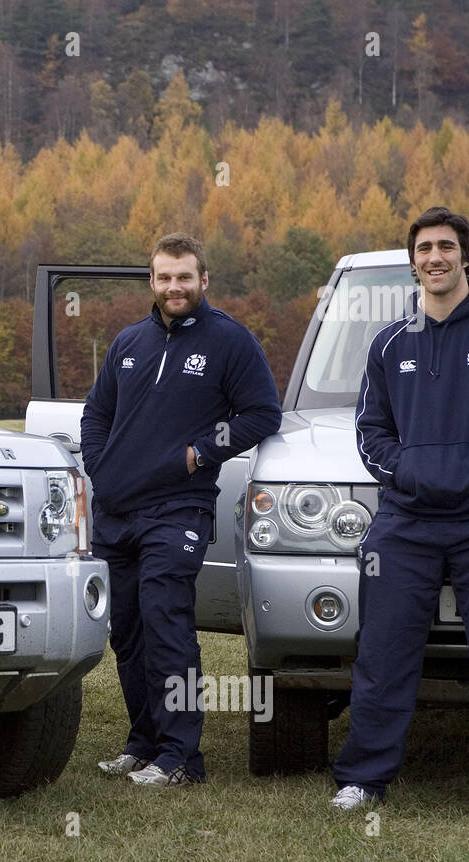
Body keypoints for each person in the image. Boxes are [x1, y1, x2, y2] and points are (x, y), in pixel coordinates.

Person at [332, 207, 469, 829]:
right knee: (382, 651)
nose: (435, 257)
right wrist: (407, 474)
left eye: (446, 246)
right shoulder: (390, 343)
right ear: (413, 261)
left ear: (465, 256)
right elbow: (370, 430)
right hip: (405, 522)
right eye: (425, 247)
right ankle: (363, 780)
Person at [82, 232, 280, 787]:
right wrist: (102, 464)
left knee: (167, 622)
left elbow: (262, 413)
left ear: (203, 280)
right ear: (152, 281)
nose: (174, 287)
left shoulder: (230, 342)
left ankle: (180, 757)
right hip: (117, 512)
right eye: (164, 277)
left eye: (184, 277)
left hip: (179, 509)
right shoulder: (128, 342)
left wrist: (199, 452)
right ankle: (142, 743)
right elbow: (96, 413)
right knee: (128, 631)